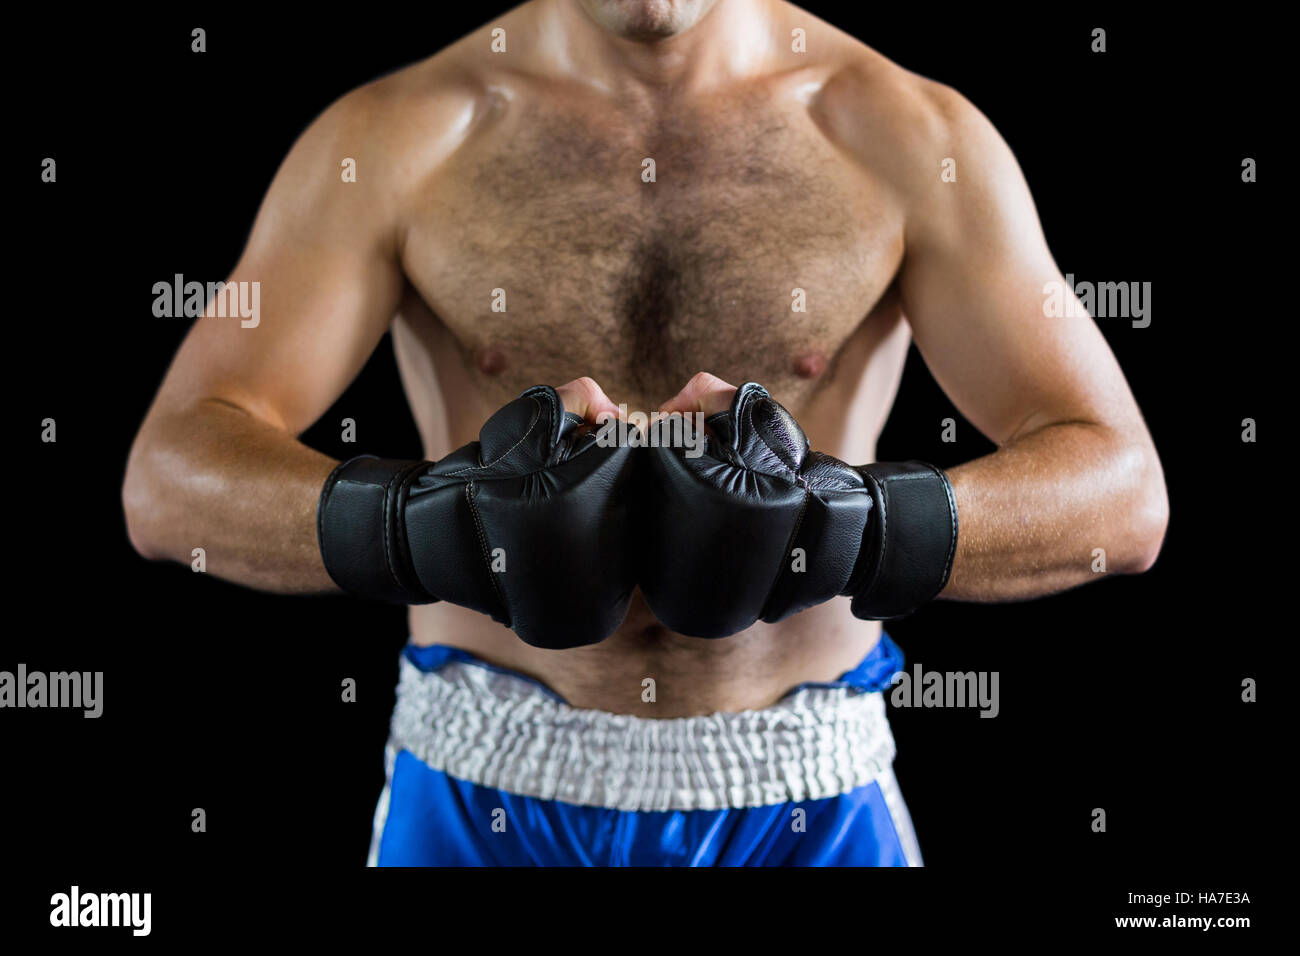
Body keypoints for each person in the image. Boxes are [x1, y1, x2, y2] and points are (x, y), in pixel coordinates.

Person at [122, 0, 1168, 865]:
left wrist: (849, 525)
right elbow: (170, 477)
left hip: (807, 797)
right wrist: (419, 523)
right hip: (478, 790)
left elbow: (1122, 495)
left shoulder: (903, 135)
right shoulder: (397, 134)